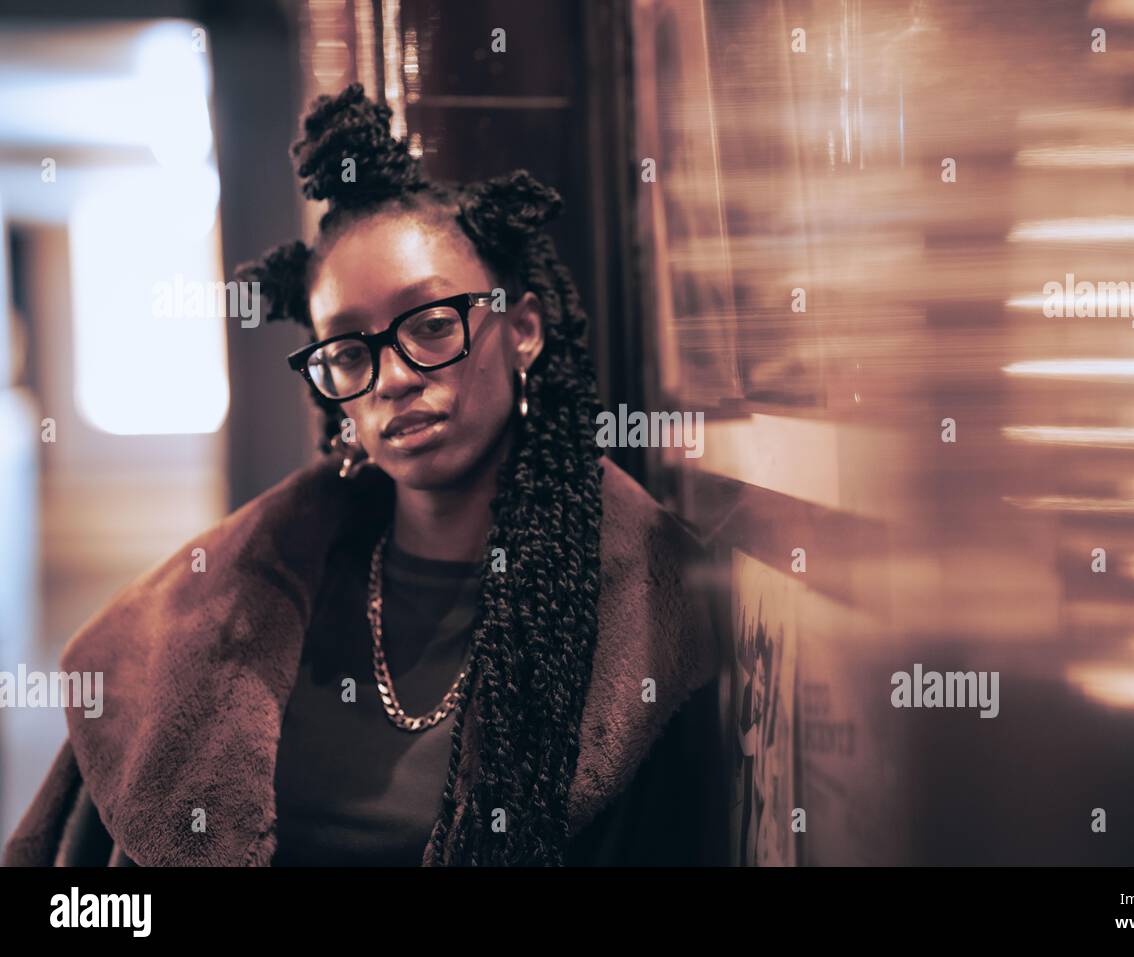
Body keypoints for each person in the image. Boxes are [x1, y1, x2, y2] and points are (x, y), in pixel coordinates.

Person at [2, 84, 726, 867]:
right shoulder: (236, 605)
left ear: (521, 331)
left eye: (430, 324)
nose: (393, 376)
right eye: (349, 351)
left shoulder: (645, 606)